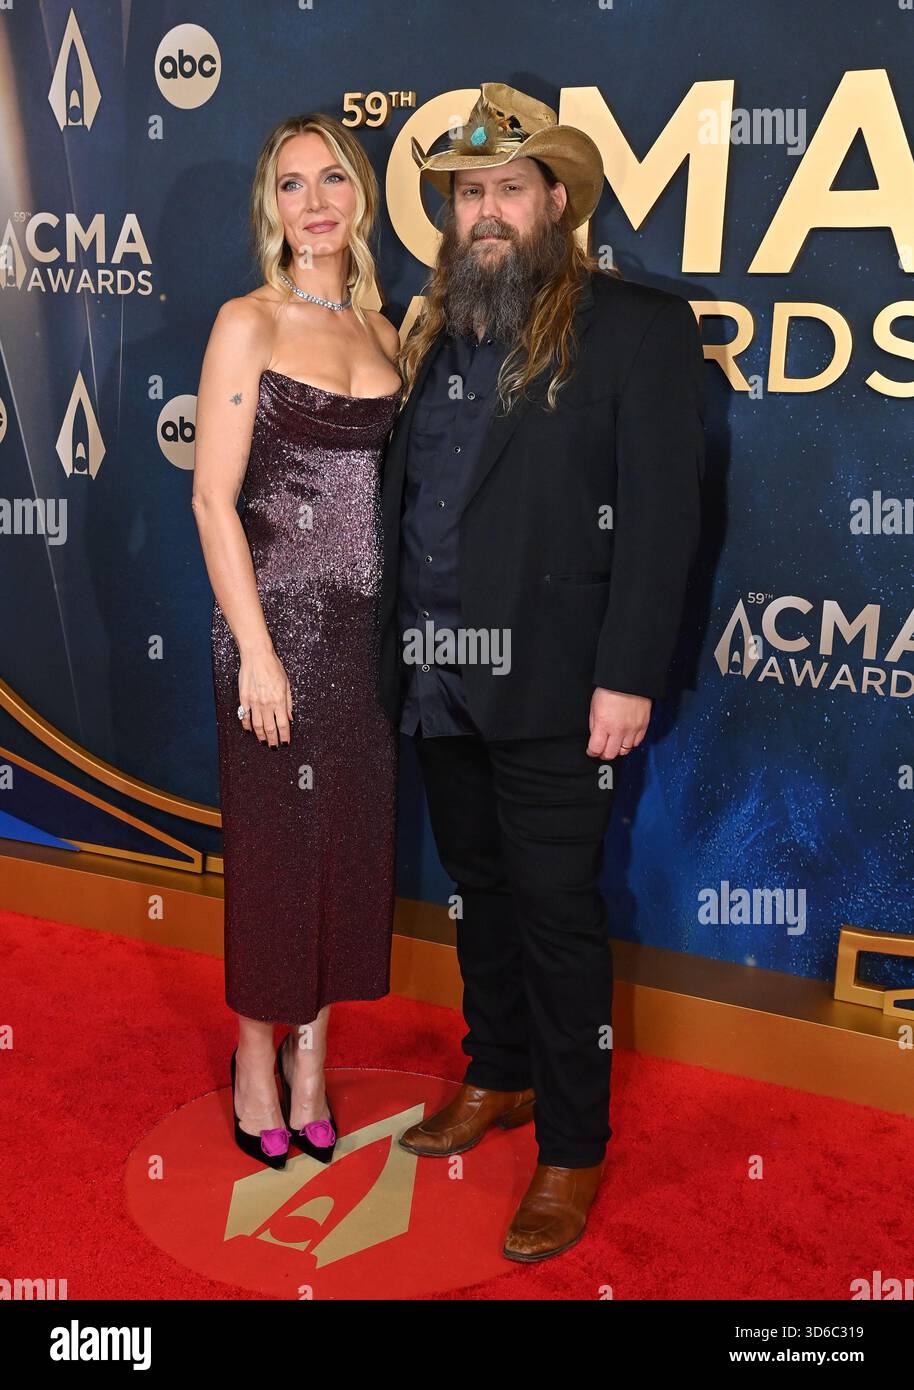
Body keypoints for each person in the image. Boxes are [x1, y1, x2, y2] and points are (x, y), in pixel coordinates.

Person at [379, 83, 705, 1258]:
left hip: (560, 685)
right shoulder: (429, 332)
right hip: (435, 670)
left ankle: (570, 1147)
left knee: (560, 916)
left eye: (507, 189)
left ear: (554, 200)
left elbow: (664, 520)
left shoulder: (635, 328)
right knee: (479, 892)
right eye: (466, 193)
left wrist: (625, 677)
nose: (485, 213)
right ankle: (498, 1072)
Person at [192, 113, 402, 1170]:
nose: (313, 200)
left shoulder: (383, 330)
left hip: (367, 652)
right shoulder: (249, 322)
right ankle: (253, 1063)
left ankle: (314, 1064)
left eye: (331, 179)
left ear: (359, 197)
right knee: (275, 863)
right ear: (268, 206)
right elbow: (212, 500)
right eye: (288, 184)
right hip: (271, 639)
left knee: (345, 863)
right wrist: (259, 652)